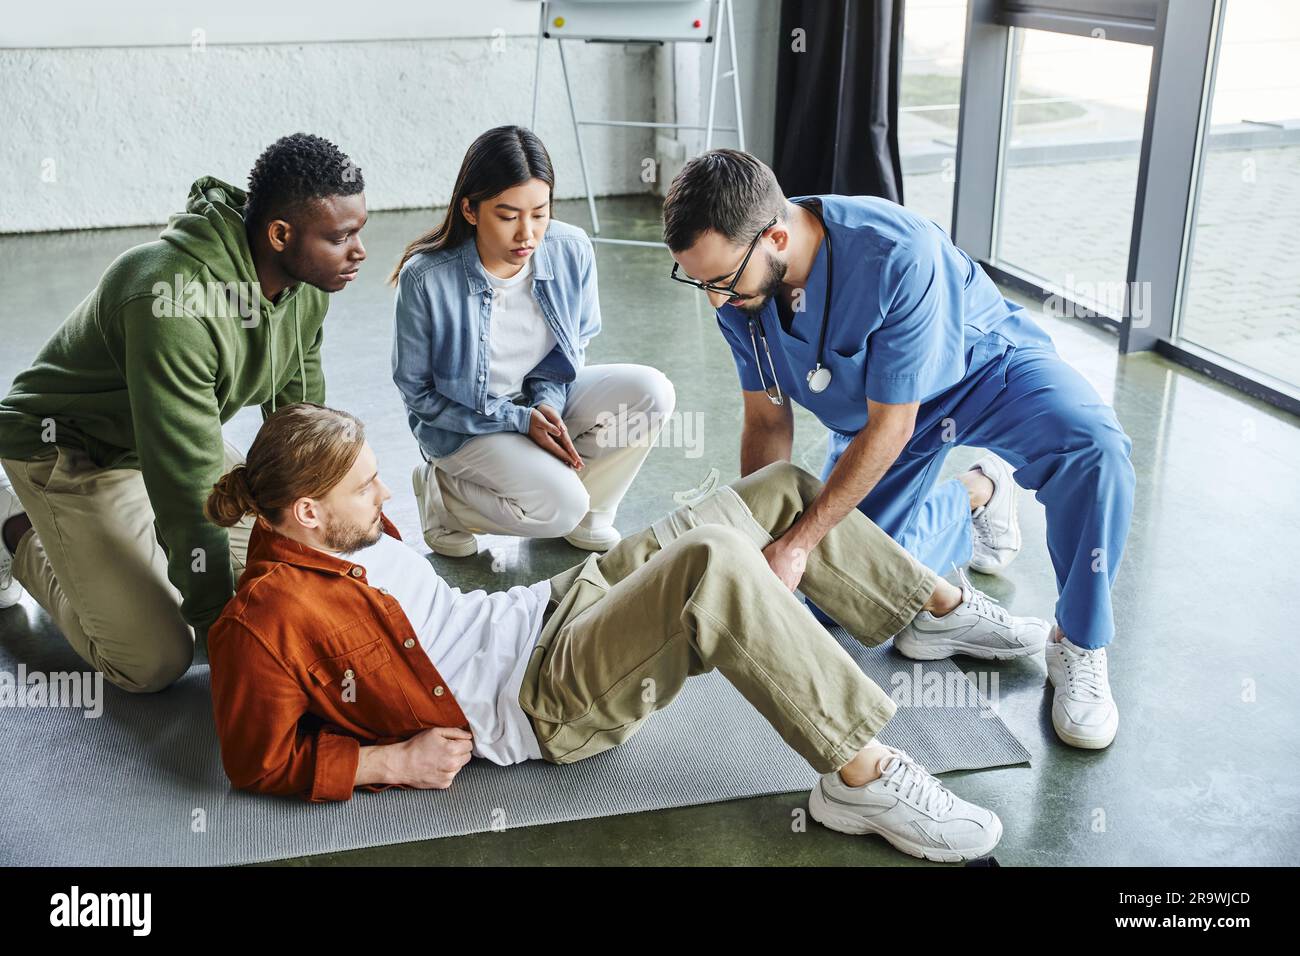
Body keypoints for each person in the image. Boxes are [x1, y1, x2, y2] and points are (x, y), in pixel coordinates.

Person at [204, 402, 1052, 863]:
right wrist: (390, 761)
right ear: (308, 512)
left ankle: (930, 613)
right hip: (542, 700)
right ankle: (859, 774)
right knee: (715, 563)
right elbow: (257, 759)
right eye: (367, 488)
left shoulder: (342, 530)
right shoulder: (264, 621)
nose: (385, 499)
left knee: (782, 491)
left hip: (546, 608)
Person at [660, 149, 1136, 750]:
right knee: (844, 590)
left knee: (1095, 449)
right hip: (878, 420)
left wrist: (799, 541)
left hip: (983, 373)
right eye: (697, 281)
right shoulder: (741, 290)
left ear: (776, 235)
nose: (714, 301)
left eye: (721, 280)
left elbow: (893, 429)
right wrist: (767, 538)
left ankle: (1080, 642)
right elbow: (765, 417)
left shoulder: (896, 254)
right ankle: (976, 497)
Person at [0, 133, 368, 693]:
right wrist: (221, 631)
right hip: (72, 450)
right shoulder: (169, 299)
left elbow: (300, 423)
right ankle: (15, 528)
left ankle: (128, 549)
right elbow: (187, 487)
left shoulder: (307, 284)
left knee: (289, 577)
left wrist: (336, 528)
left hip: (175, 431)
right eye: (342, 237)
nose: (359, 251)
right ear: (280, 234)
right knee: (156, 660)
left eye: (359, 232)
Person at [390, 125, 674, 557]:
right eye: (508, 216)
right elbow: (419, 395)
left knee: (651, 393)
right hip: (464, 426)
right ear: (470, 209)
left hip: (541, 403)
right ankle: (442, 496)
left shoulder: (571, 249)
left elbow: (571, 352)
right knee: (558, 506)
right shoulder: (425, 278)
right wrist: (518, 421)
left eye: (539, 213)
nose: (528, 234)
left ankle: (591, 511)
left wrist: (545, 406)